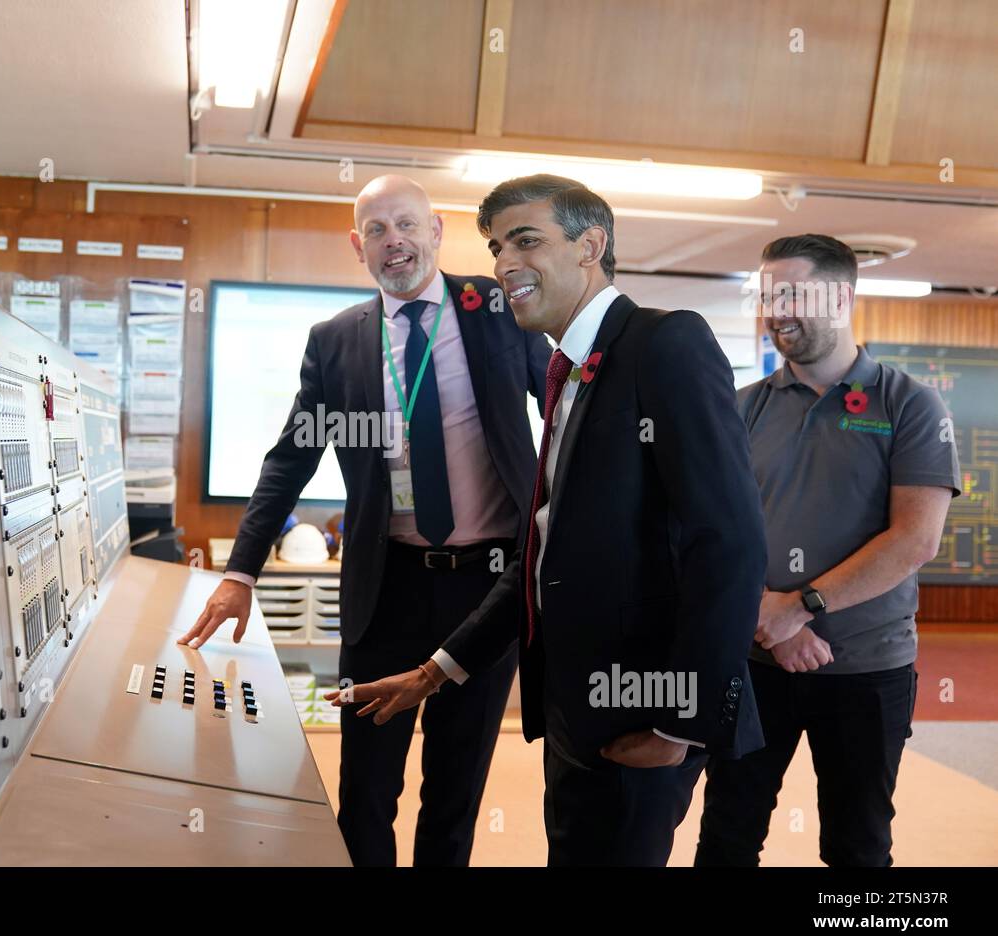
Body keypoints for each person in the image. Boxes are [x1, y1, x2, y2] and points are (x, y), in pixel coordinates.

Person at [328, 174, 768, 866]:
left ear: (591, 245)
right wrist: (435, 672)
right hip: (576, 708)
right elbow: (543, 555)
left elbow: (732, 542)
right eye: (498, 246)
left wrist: (680, 725)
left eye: (527, 241)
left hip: (641, 711)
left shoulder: (664, 344)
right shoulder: (571, 371)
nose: (504, 264)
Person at [182, 174, 551, 866]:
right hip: (387, 590)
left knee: (454, 790)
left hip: (489, 587)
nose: (395, 242)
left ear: (437, 231)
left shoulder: (494, 306)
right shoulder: (336, 340)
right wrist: (240, 572)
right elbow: (288, 462)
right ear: (359, 247)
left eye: (407, 225)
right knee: (366, 790)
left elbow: (563, 408)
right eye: (378, 231)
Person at [695, 234, 960, 867]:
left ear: (841, 297)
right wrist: (770, 617)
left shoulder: (909, 405)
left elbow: (915, 538)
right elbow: (708, 533)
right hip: (757, 662)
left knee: (857, 845)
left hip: (867, 669)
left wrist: (803, 605)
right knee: (727, 835)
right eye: (767, 295)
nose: (777, 309)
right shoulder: (741, 409)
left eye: (793, 293)